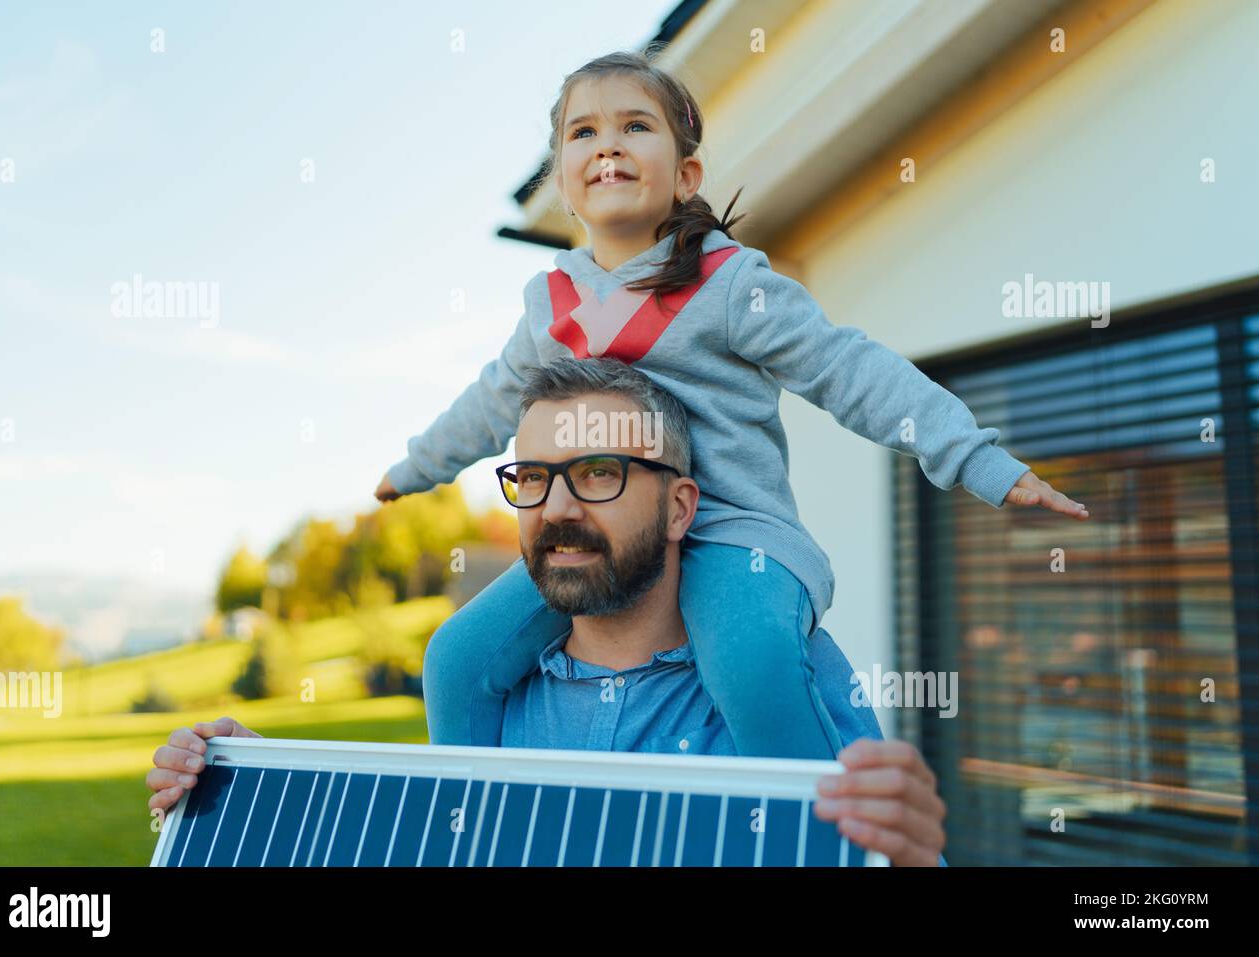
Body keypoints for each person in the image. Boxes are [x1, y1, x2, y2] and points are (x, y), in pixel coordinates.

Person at [372, 49, 1089, 760]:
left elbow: (848, 368)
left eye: (635, 126)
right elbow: (493, 400)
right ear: (562, 180)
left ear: (686, 175)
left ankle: (812, 825)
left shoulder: (731, 284)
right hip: (601, 533)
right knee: (456, 659)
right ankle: (469, 818)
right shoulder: (549, 308)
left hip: (734, 533)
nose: (608, 144)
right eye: (583, 132)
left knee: (750, 662)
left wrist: (975, 457)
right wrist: (414, 467)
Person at [147, 358, 949, 865]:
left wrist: (907, 858)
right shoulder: (493, 702)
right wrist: (252, 791)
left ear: (679, 507)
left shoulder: (785, 677)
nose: (556, 507)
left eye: (598, 471)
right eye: (532, 476)